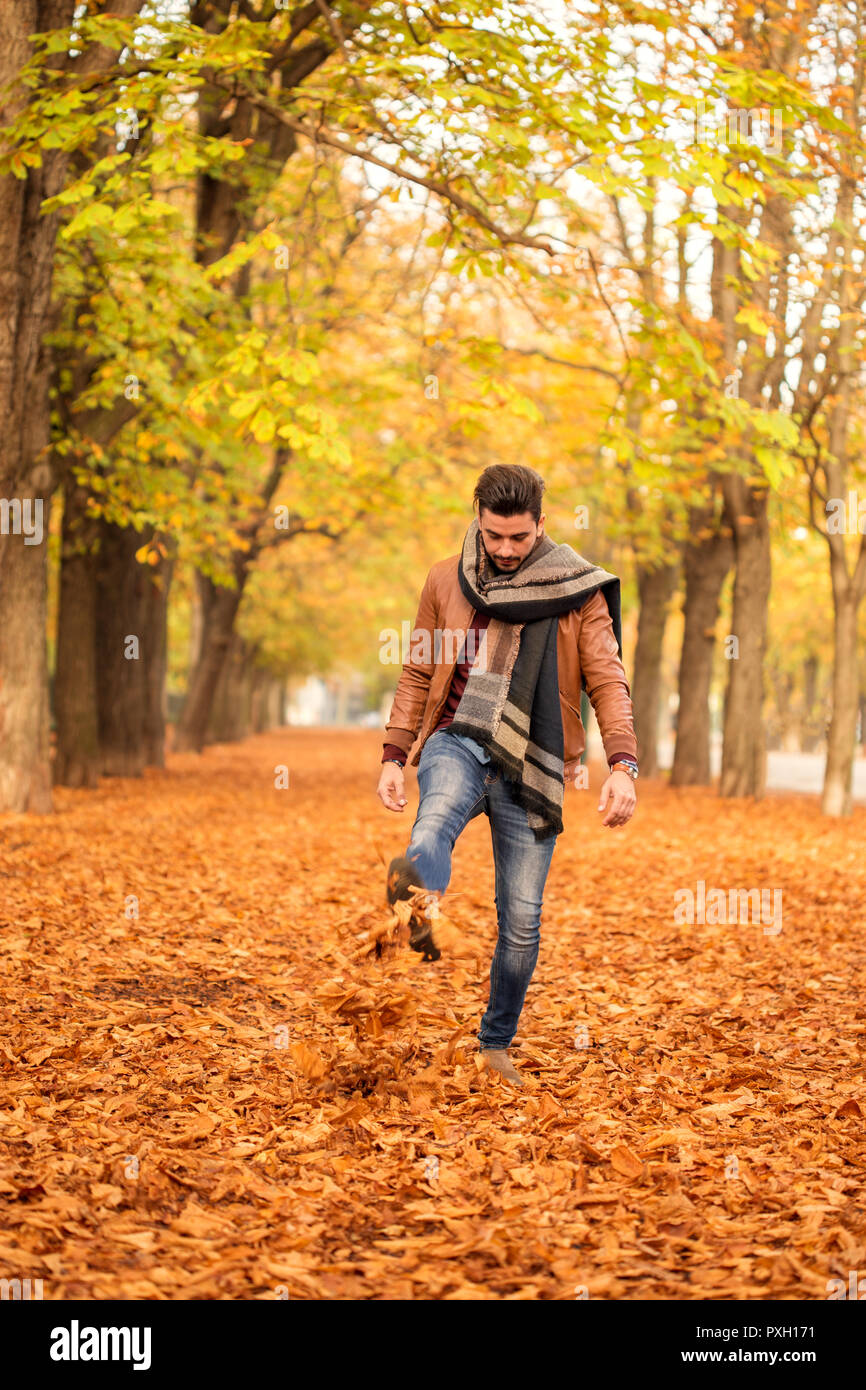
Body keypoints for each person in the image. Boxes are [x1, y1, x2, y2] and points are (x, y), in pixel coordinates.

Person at [376, 465, 638, 1086]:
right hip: (457, 739)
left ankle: (495, 1045)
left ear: (541, 525)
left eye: (519, 537)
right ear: (478, 520)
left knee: (521, 922)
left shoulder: (579, 589)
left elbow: (607, 679)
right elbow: (418, 671)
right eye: (494, 535)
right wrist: (393, 754)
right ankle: (417, 909)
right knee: (434, 820)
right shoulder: (445, 579)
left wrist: (622, 764)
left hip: (535, 762)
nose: (505, 549)